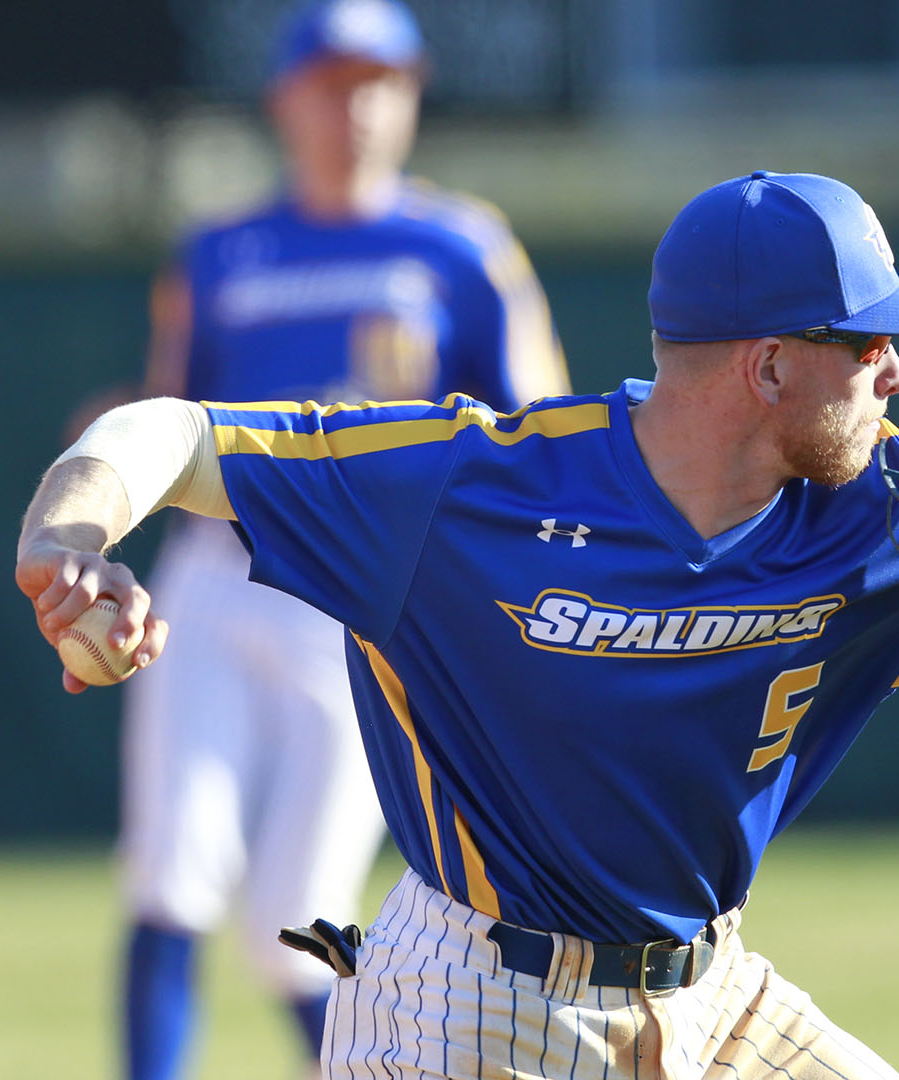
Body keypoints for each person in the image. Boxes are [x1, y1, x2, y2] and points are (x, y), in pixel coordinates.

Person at [17, 170, 899, 1079]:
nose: (896, 370)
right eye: (865, 340)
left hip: (711, 994)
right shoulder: (471, 484)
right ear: (767, 367)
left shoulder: (894, 502)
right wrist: (65, 545)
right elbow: (172, 432)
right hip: (467, 1006)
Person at [96, 2, 570, 1077]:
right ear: (284, 101)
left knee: (295, 920)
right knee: (170, 869)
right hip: (217, 579)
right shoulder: (221, 250)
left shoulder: (460, 245)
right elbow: (172, 413)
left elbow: (537, 429)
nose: (356, 107)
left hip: (361, 599)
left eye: (380, 83)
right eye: (334, 83)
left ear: (409, 96)